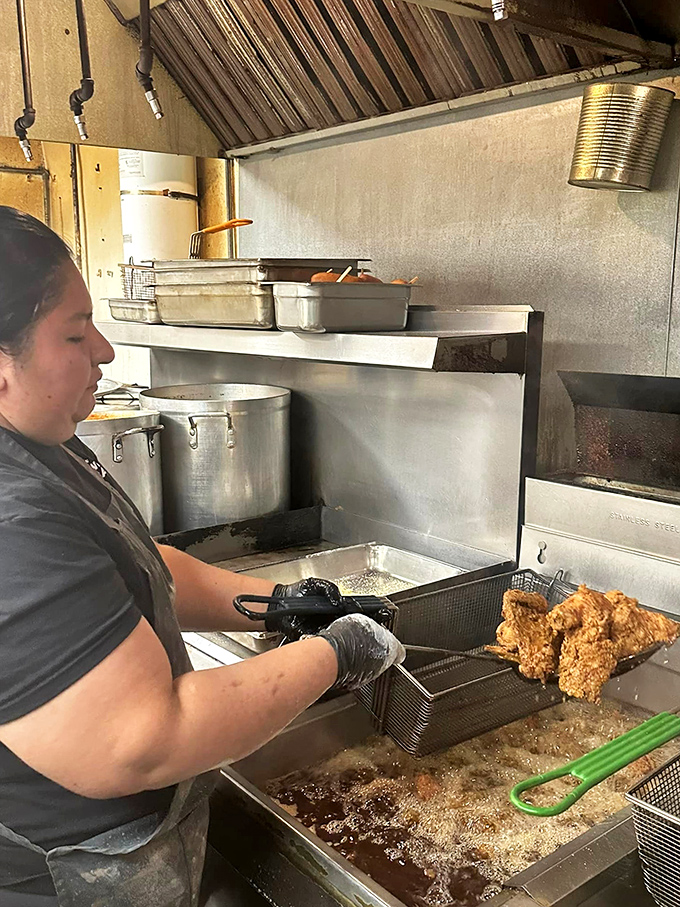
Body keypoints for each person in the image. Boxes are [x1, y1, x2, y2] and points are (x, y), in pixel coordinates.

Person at [0, 207, 405, 906]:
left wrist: (273, 605)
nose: (103, 350)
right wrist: (336, 652)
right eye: (73, 331)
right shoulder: (10, 517)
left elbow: (139, 561)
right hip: (67, 878)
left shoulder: (41, 439)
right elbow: (146, 737)